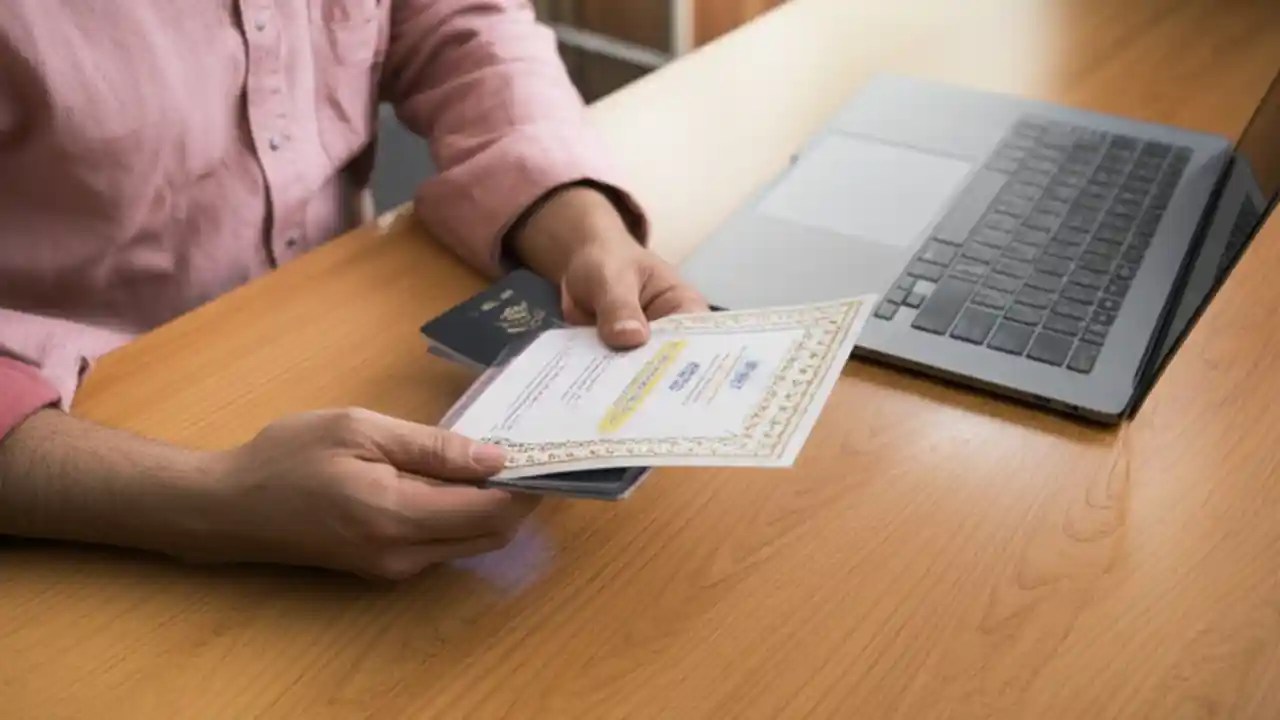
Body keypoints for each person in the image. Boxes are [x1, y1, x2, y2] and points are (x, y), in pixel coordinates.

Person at [0, 1, 706, 580]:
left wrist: (578, 220)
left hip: (350, 362)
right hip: (80, 475)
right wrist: (209, 505)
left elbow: (459, 25)